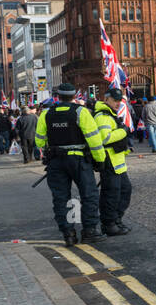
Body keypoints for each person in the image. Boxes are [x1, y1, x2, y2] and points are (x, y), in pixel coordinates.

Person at [35, 83, 107, 246]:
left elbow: (39, 140)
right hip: (78, 160)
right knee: (89, 195)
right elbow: (94, 139)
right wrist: (100, 160)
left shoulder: (46, 114)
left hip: (56, 161)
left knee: (61, 198)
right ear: (74, 96)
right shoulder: (81, 112)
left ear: (58, 97)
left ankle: (68, 234)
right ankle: (89, 231)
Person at [93, 88, 133, 236]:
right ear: (106, 99)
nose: (118, 103)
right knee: (111, 194)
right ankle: (109, 224)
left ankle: (116, 220)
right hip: (109, 160)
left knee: (124, 191)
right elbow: (105, 138)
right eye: (115, 100)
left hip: (117, 161)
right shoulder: (103, 116)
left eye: (119, 100)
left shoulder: (110, 114)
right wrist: (123, 131)